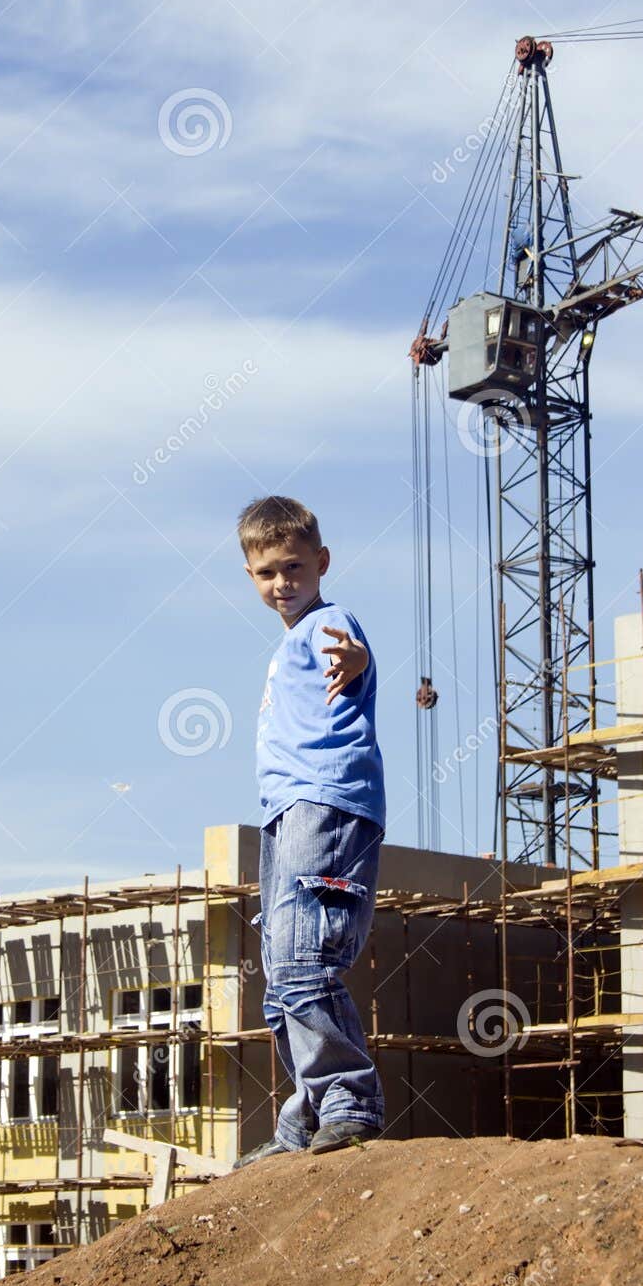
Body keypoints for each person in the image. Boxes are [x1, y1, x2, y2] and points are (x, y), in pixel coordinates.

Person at [233, 494, 386, 1166]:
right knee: (279, 977)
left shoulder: (329, 623)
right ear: (250, 576)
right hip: (286, 811)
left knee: (303, 965)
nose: (282, 583)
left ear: (320, 563)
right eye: (267, 572)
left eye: (293, 567)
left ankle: (349, 1100)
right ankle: (305, 1117)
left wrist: (354, 659)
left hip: (325, 803)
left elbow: (349, 653)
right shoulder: (287, 641)